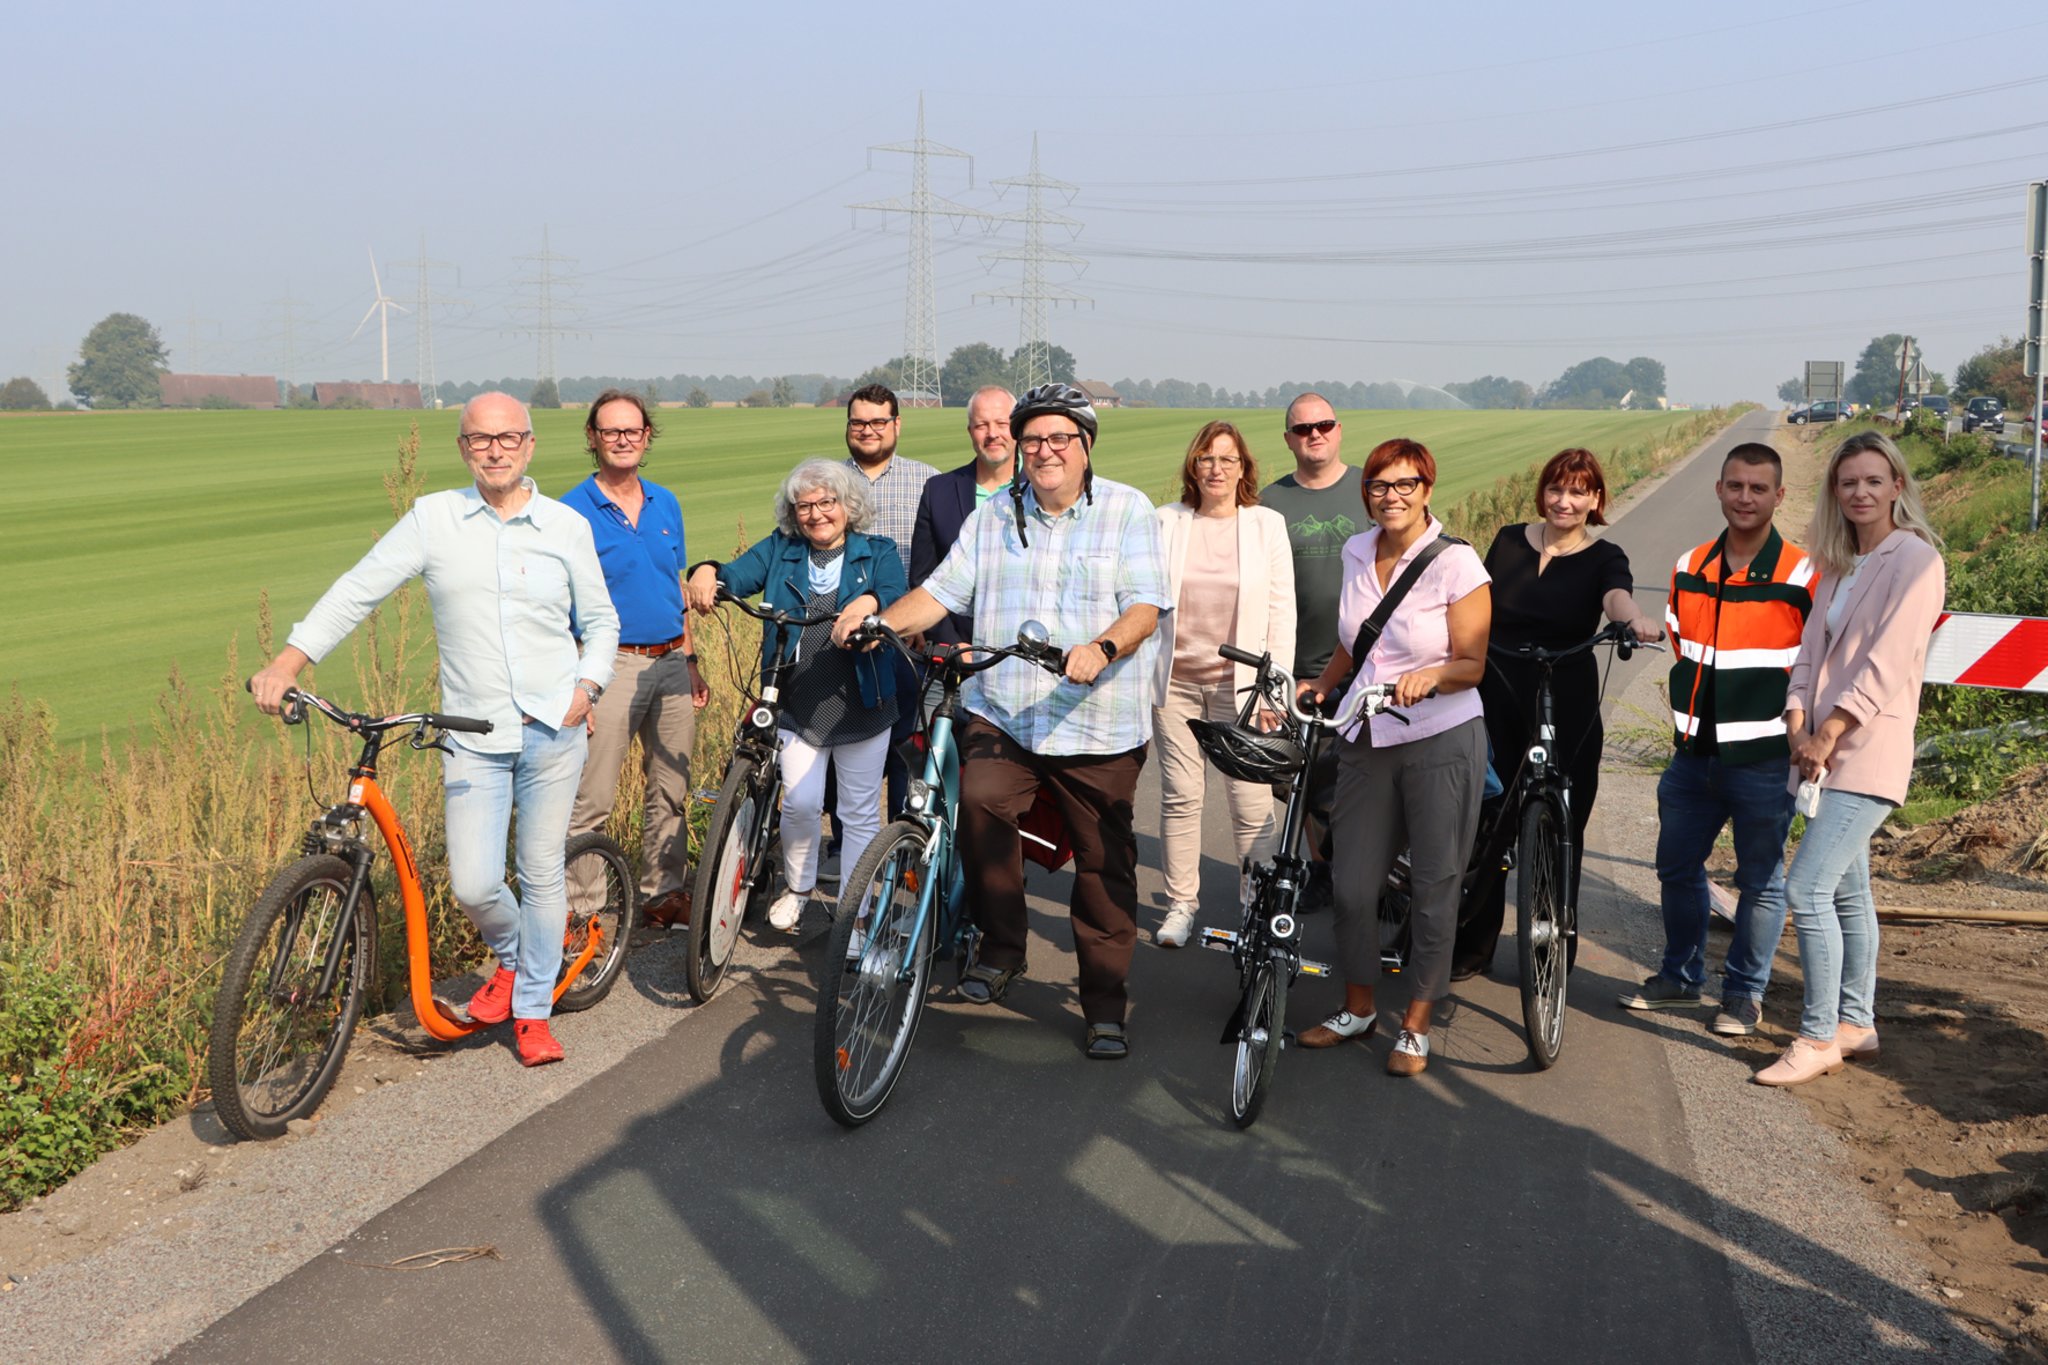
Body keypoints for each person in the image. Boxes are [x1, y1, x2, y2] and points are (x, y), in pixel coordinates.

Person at [249, 392, 618, 1067]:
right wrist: (288, 661)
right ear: (463, 448)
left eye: (508, 438)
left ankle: (533, 1010)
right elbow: (357, 590)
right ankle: (516, 959)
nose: (495, 450)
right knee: (473, 883)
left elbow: (601, 622)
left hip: (553, 729)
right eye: (480, 439)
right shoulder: (434, 519)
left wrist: (585, 689)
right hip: (471, 732)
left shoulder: (565, 525)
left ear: (530, 444)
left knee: (540, 873)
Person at [851, 384, 1169, 1061]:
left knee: (1103, 865)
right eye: (1033, 440)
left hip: (1097, 722)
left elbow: (1145, 606)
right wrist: (881, 623)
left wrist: (1103, 647)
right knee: (980, 807)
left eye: (1060, 438)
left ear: (1086, 445)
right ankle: (1002, 947)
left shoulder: (1127, 510)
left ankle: (1104, 1005)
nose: (1045, 451)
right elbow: (941, 591)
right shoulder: (995, 515)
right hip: (1006, 712)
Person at [1757, 431, 1945, 1086]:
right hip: (1821, 749)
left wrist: (1828, 732)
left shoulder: (1915, 560)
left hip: (1867, 749)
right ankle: (1856, 1024)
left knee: (1806, 888)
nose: (1860, 492)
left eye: (1873, 480)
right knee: (1847, 890)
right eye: (1848, 482)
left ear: (1897, 486)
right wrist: (1797, 721)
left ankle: (1815, 1037)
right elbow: (1809, 654)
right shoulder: (1838, 563)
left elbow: (1887, 662)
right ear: (1834, 493)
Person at [1298, 439, 1490, 1077]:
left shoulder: (1457, 562)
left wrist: (1431, 676)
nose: (1392, 496)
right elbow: (1356, 643)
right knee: (1352, 886)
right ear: (1367, 493)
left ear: (1427, 489)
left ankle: (1415, 1024)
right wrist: (1322, 685)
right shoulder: (1356, 550)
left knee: (1435, 885)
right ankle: (1357, 1010)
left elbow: (1472, 663)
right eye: (1380, 485)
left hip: (1440, 737)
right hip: (1366, 734)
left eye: (1406, 484)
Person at [1617, 443, 1816, 1036]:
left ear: (1779, 496)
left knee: (1761, 883)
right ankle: (1680, 980)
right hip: (1693, 756)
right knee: (1676, 868)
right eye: (1735, 486)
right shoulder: (1690, 565)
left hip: (1765, 758)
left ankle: (1743, 995)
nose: (1745, 498)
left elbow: (1818, 662)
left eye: (1758, 488)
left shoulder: (1803, 573)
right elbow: (1683, 644)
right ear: (1719, 489)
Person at [1452, 448, 1663, 981]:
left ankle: (1550, 951)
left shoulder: (1604, 555)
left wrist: (1634, 620)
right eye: (1555, 488)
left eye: (1577, 492)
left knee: (1562, 828)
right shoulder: (1507, 540)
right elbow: (1473, 599)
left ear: (1595, 499)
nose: (1563, 501)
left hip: (1567, 696)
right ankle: (1472, 943)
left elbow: (1616, 597)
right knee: (1486, 821)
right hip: (1498, 689)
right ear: (1542, 492)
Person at [684, 459, 907, 940]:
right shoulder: (781, 550)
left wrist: (868, 603)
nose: (816, 514)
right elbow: (736, 575)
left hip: (862, 702)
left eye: (827, 502)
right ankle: (799, 888)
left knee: (858, 811)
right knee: (801, 803)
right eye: (804, 506)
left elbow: (894, 592)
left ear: (848, 506)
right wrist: (706, 571)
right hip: (796, 701)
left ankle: (855, 915)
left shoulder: (878, 551)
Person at [559, 390, 709, 931]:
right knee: (592, 795)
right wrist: (578, 685)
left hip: (670, 661)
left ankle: (662, 894)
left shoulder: (665, 502)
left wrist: (690, 658)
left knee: (671, 787)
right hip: (610, 668)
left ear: (647, 437)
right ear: (593, 438)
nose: (622, 440)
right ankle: (581, 914)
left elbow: (676, 585)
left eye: (632, 430)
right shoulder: (571, 511)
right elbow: (558, 607)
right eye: (611, 431)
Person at [1150, 420, 1296, 948]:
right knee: (1181, 797)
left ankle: (1257, 909)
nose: (1216, 468)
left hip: (1245, 691)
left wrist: (1274, 692)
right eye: (1206, 458)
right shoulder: (1166, 521)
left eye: (1227, 459)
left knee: (1251, 803)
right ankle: (1180, 906)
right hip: (1176, 684)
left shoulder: (1265, 525)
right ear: (1193, 467)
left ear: (1243, 469)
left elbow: (1281, 611)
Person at [1260, 393, 1364, 910]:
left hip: (1365, 666)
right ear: (1288, 440)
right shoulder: (1268, 502)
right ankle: (1323, 870)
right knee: (1298, 780)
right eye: (1302, 429)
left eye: (1323, 425)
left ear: (1339, 429)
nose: (1314, 434)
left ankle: (1366, 872)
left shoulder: (1371, 488)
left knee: (1359, 781)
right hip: (1295, 667)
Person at [909, 384, 1015, 645]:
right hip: (955, 653)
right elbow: (923, 578)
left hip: (1023, 650)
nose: (992, 434)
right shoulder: (938, 491)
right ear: (970, 431)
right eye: (982, 425)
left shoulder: (1040, 490)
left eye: (1002, 424)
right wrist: (953, 646)